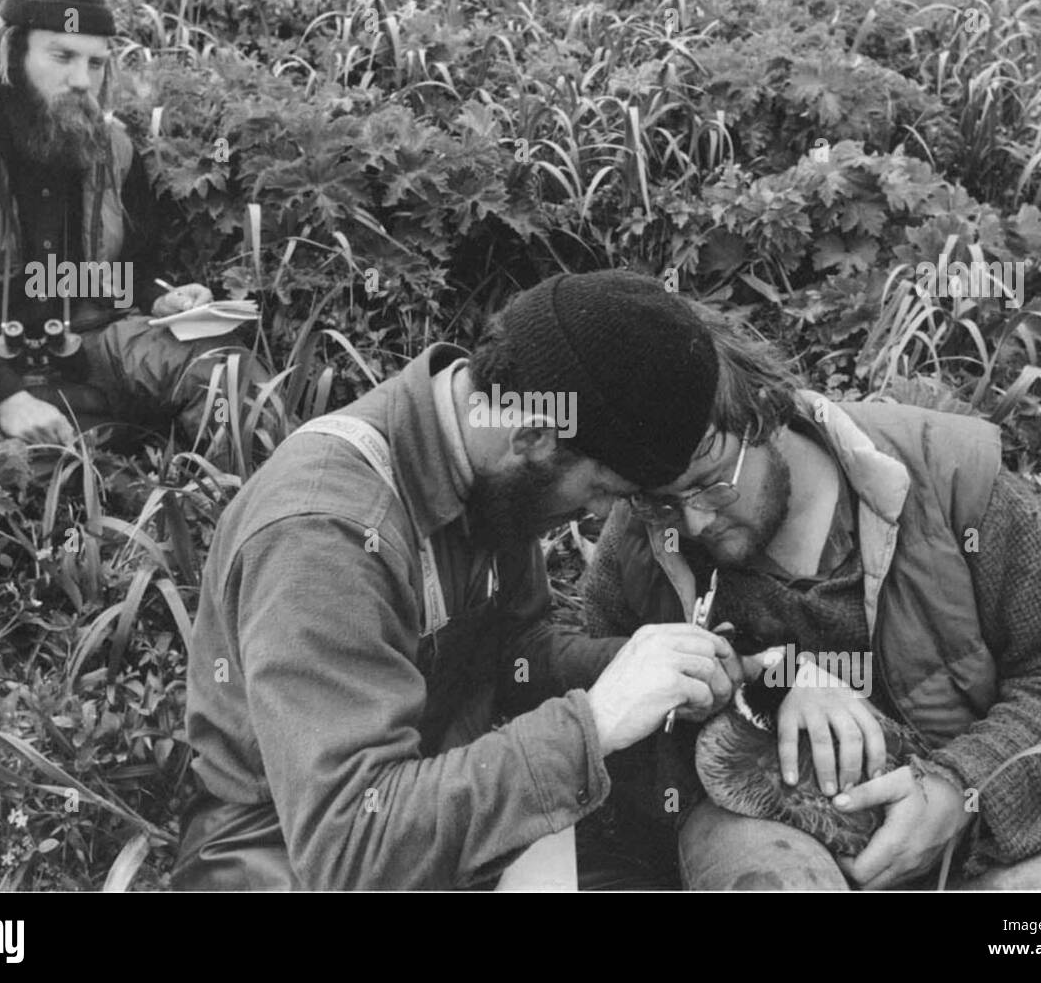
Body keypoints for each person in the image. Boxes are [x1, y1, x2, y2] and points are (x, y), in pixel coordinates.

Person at [175, 271, 743, 890]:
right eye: (603, 490)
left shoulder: (490, 473)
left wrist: (651, 671)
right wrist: (595, 724)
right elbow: (351, 848)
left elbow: (513, 657)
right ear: (531, 434)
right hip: (286, 863)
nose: (602, 516)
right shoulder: (323, 534)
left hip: (430, 838)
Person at [582, 302, 1041, 890]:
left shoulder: (950, 482)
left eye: (711, 486)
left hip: (980, 842)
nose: (692, 524)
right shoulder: (645, 537)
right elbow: (609, 719)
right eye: (657, 500)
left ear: (765, 414)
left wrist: (960, 788)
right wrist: (769, 681)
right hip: (761, 828)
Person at [0, 0, 261, 448]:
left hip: (86, 346)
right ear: (11, 53)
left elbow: (132, 267)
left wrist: (159, 296)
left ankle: (256, 501)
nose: (83, 80)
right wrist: (6, 396)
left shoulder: (115, 148)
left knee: (221, 366)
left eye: (95, 63)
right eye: (63, 57)